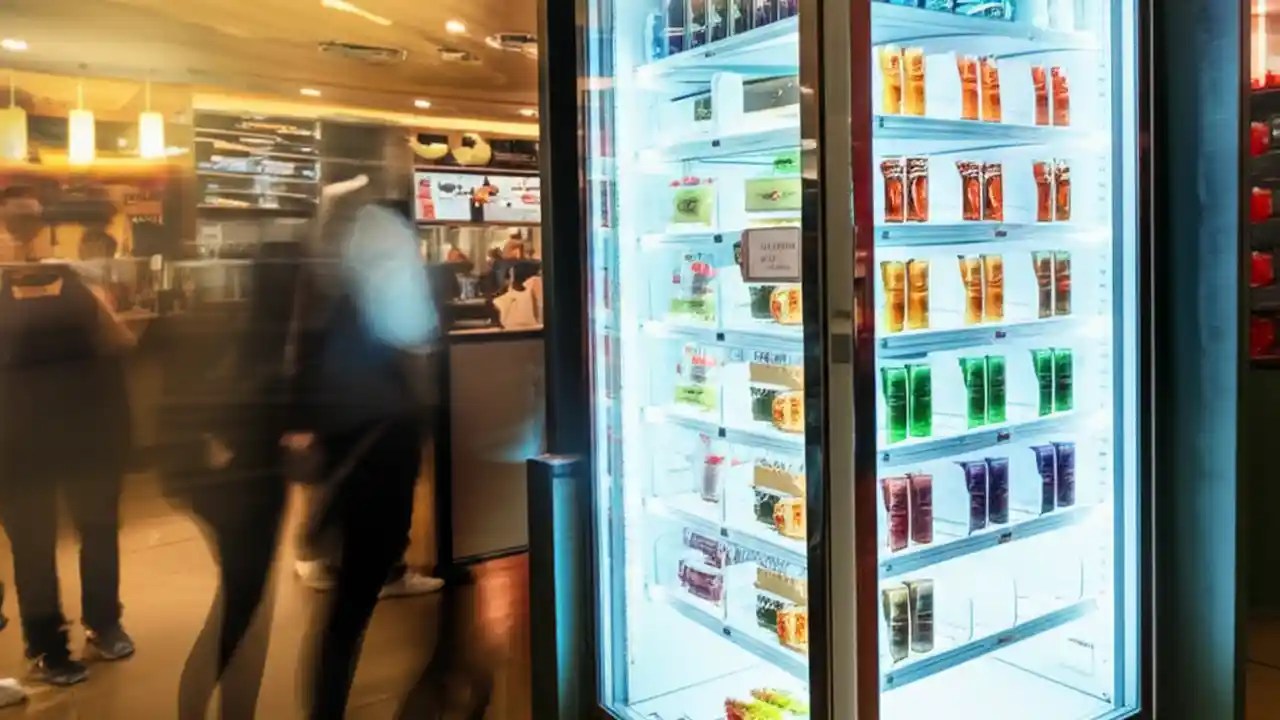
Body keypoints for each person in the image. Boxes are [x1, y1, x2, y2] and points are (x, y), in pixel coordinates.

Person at [290, 136, 443, 719]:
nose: (408, 164)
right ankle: (331, 703)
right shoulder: (380, 226)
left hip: (345, 415)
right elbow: (407, 323)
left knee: (356, 577)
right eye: (401, 156)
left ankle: (327, 700)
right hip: (379, 416)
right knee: (362, 576)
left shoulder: (329, 226)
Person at [157, 239, 299, 719]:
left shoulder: (242, 329)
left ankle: (220, 709)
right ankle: (198, 707)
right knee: (243, 609)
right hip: (246, 487)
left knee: (245, 607)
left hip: (231, 484)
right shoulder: (272, 339)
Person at [0, 186, 135, 686]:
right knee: (33, 543)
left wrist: (97, 295)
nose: (21, 233)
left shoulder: (73, 277)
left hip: (87, 428)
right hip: (16, 436)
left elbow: (120, 340)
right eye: (14, 221)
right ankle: (47, 644)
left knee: (96, 531)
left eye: (29, 221)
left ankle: (103, 621)